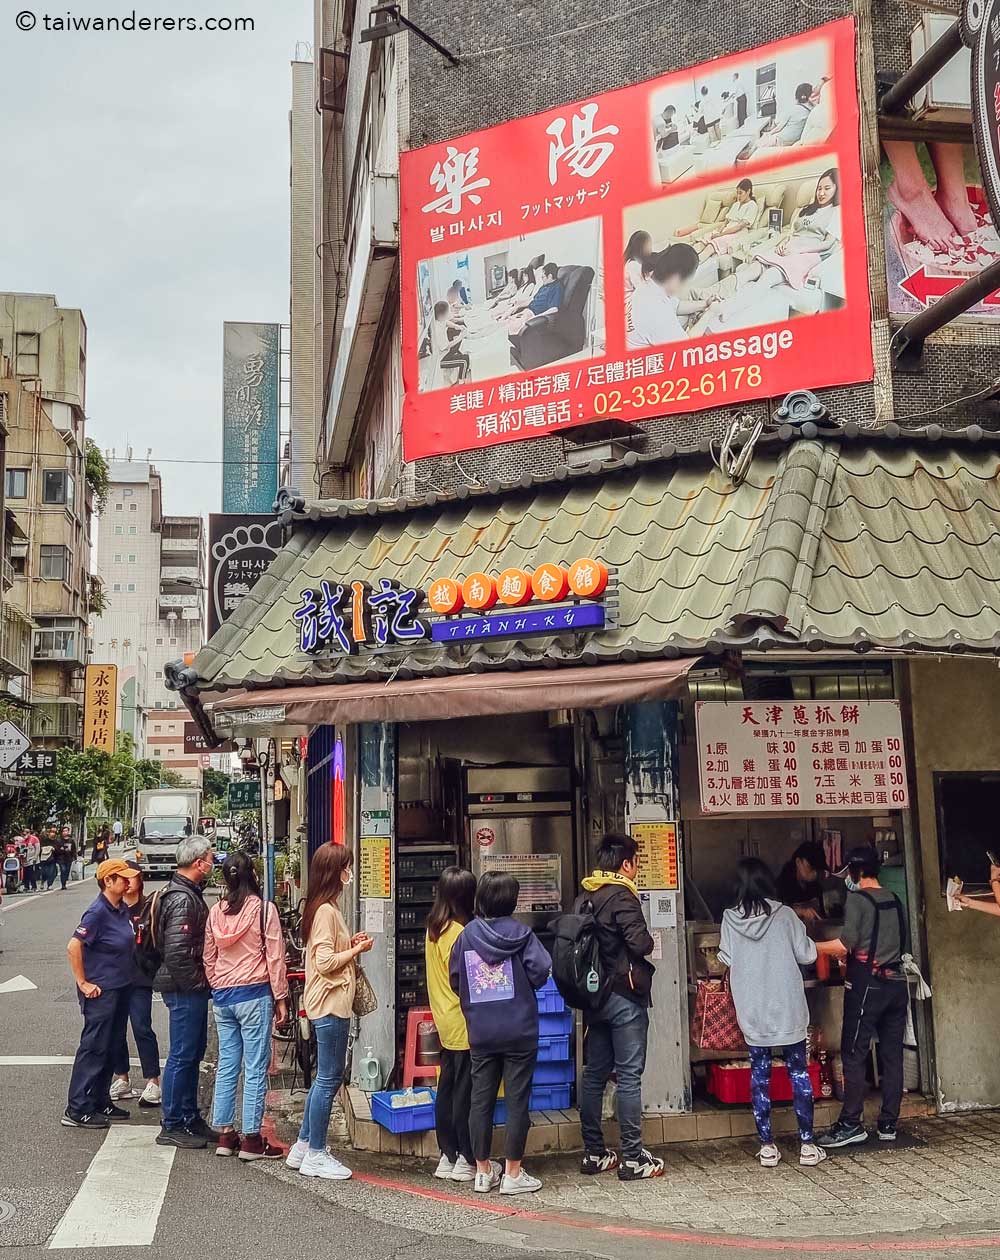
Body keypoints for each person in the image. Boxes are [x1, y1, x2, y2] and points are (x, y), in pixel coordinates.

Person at [718, 858, 826, 1168]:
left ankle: (767, 1146)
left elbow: (724, 958)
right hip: (788, 1005)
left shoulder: (729, 918)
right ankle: (807, 1145)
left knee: (759, 1075)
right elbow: (806, 953)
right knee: (798, 1072)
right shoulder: (785, 915)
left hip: (752, 1008)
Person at [450, 871, 551, 1197]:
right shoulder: (523, 934)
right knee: (517, 1100)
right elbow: (540, 971)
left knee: (481, 1099)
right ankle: (513, 1173)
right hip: (520, 1029)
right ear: (512, 900)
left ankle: (482, 1171)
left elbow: (455, 979)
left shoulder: (466, 936)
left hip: (481, 1030)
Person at [577, 834, 664, 1180]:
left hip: (593, 997)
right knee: (629, 1076)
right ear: (626, 863)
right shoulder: (622, 896)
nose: (637, 868)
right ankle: (632, 1157)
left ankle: (594, 1153)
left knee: (594, 1074)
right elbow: (639, 943)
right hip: (624, 998)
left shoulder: (586, 894)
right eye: (636, 862)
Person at [284, 843, 373, 1180]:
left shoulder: (324, 907)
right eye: (346, 867)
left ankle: (304, 1146)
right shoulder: (325, 912)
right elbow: (323, 963)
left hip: (326, 1002)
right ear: (336, 872)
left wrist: (350, 946)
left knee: (324, 1079)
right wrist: (357, 951)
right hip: (331, 1004)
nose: (350, 872)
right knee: (328, 1079)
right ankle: (317, 1153)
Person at [817, 846, 909, 1148]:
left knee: (854, 1053)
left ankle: (851, 1123)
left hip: (867, 987)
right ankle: (888, 1124)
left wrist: (811, 946)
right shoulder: (894, 899)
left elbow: (846, 945)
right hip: (897, 985)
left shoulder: (857, 899)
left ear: (856, 871)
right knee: (891, 1055)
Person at [204, 851, 289, 1160]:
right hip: (254, 994)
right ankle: (252, 1139)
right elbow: (275, 957)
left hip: (224, 997)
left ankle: (225, 1136)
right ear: (253, 875)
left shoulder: (216, 912)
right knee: (254, 1066)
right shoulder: (264, 911)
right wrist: (281, 997)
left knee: (228, 1064)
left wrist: (218, 983)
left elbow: (208, 957)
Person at [63, 859, 139, 1129]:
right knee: (94, 1046)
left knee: (112, 1043)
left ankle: (99, 1098)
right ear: (108, 881)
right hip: (101, 990)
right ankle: (77, 1107)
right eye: (123, 878)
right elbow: (74, 946)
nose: (129, 882)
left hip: (120, 986)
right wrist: (83, 982)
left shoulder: (120, 909)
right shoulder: (97, 912)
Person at [153, 834, 216, 1149]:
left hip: (187, 987)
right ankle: (173, 1123)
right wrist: (198, 984)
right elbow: (178, 952)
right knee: (182, 1054)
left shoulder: (184, 892)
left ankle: (189, 1118)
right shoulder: (182, 898)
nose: (213, 862)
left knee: (191, 1053)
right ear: (199, 862)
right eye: (210, 857)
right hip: (184, 989)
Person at [425, 866, 477, 1182]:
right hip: (463, 1020)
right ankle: (465, 1157)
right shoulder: (461, 934)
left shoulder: (434, 929)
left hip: (443, 1018)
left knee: (446, 1087)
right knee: (465, 1092)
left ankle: (446, 1154)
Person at [109, 862, 161, 1110]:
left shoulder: (148, 908)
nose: (128, 882)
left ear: (140, 880)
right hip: (115, 979)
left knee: (141, 1026)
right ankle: (122, 1077)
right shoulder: (113, 909)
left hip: (140, 979)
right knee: (116, 1029)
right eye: (123, 878)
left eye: (133, 877)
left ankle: (153, 1080)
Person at [626, 244, 711, 349]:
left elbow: (677, 306)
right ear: (675, 278)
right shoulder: (658, 312)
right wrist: (710, 314)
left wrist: (705, 304)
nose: (683, 287)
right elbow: (685, 347)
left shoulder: (649, 286)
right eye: (685, 282)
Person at [739, 79, 829, 158]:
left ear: (799, 96)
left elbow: (779, 128)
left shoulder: (793, 109)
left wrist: (768, 133)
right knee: (763, 138)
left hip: (781, 140)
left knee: (757, 143)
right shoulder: (812, 111)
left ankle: (745, 161)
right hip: (791, 141)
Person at [677, 179, 759, 259]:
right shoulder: (736, 204)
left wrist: (720, 235)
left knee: (711, 245)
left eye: (740, 193)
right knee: (704, 240)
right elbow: (725, 222)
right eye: (737, 193)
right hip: (727, 230)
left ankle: (692, 264)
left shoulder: (752, 205)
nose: (738, 196)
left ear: (748, 191)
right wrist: (718, 231)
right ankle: (683, 257)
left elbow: (739, 227)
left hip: (738, 233)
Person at [775, 841, 830, 922]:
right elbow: (775, 913)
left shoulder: (815, 886)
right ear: (798, 862)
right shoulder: (781, 886)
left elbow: (822, 914)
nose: (814, 873)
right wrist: (799, 911)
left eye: (817, 869)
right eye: (810, 867)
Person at [504, 262, 564, 336]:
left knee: (509, 329)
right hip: (528, 311)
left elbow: (555, 309)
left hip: (534, 314)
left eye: (543, 277)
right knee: (507, 321)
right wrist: (518, 305)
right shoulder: (544, 286)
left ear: (550, 276)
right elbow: (533, 299)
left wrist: (536, 317)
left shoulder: (557, 287)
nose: (542, 279)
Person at [623, 231, 653, 302]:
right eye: (649, 246)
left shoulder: (629, 262)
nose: (651, 250)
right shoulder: (634, 265)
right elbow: (643, 290)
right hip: (630, 304)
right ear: (642, 246)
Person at [56, 825, 77, 890]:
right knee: (63, 870)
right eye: (64, 831)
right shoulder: (59, 841)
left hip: (69, 858)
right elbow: (57, 849)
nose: (65, 832)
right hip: (61, 858)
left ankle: (64, 882)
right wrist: (61, 849)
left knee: (67, 870)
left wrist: (75, 857)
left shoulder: (71, 841)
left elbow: (74, 849)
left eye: (66, 831)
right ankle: (63, 884)